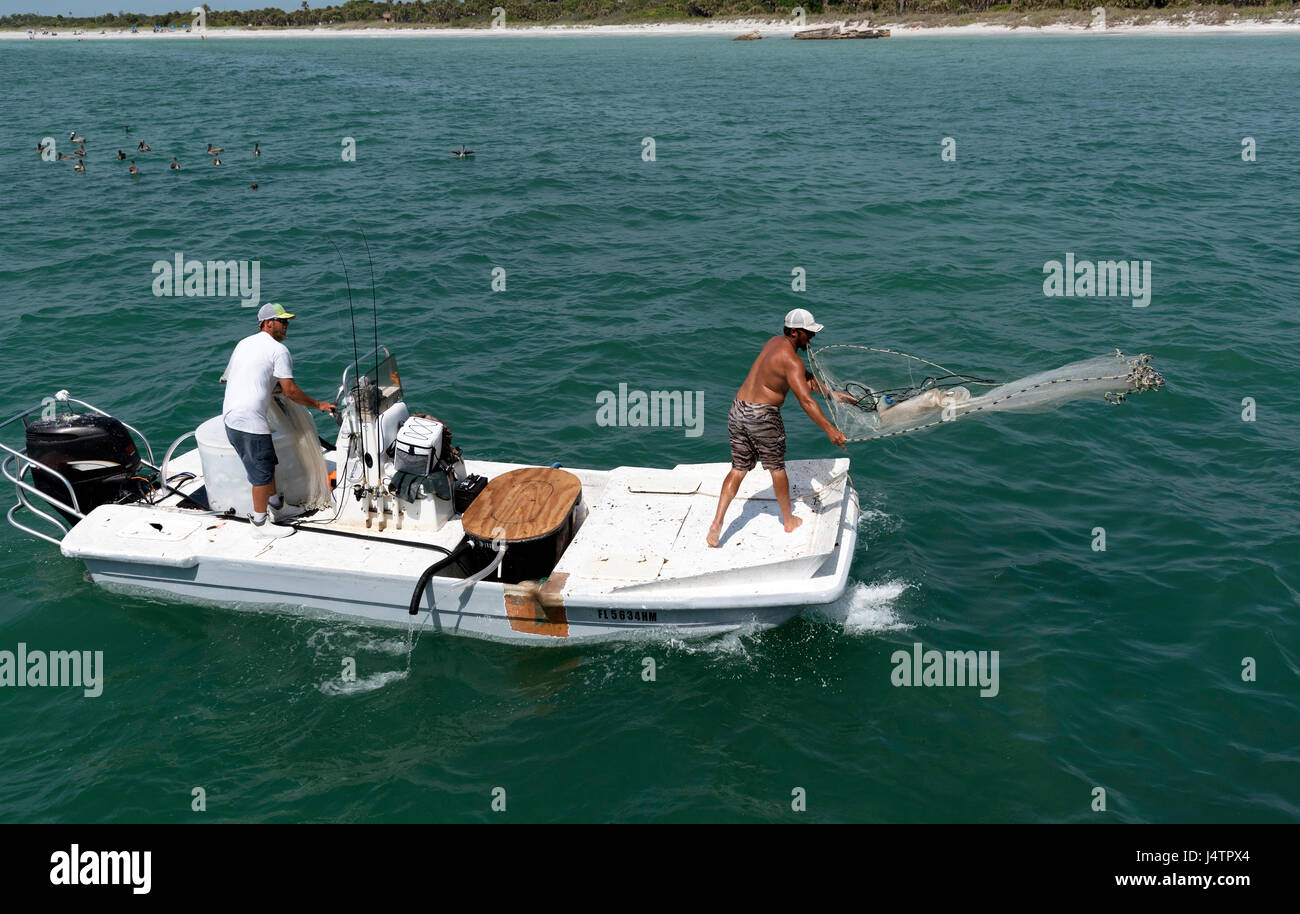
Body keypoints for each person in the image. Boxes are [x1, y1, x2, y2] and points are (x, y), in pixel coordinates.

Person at [706, 308, 848, 548]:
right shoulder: (792, 360)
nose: (811, 338)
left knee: (739, 469)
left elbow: (805, 378)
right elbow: (805, 400)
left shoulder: (774, 343)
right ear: (795, 332)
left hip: (738, 410)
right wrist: (830, 430)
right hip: (762, 417)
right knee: (777, 467)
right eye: (808, 333)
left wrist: (833, 395)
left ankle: (716, 524)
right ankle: (789, 520)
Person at [222, 303, 335, 538]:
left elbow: (229, 377)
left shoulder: (244, 343)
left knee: (268, 463)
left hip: (232, 417)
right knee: (261, 475)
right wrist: (318, 404)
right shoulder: (278, 350)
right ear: (267, 323)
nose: (286, 326)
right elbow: (291, 391)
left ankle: (277, 507)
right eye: (282, 321)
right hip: (249, 422)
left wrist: (267, 388)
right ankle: (260, 523)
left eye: (287, 322)